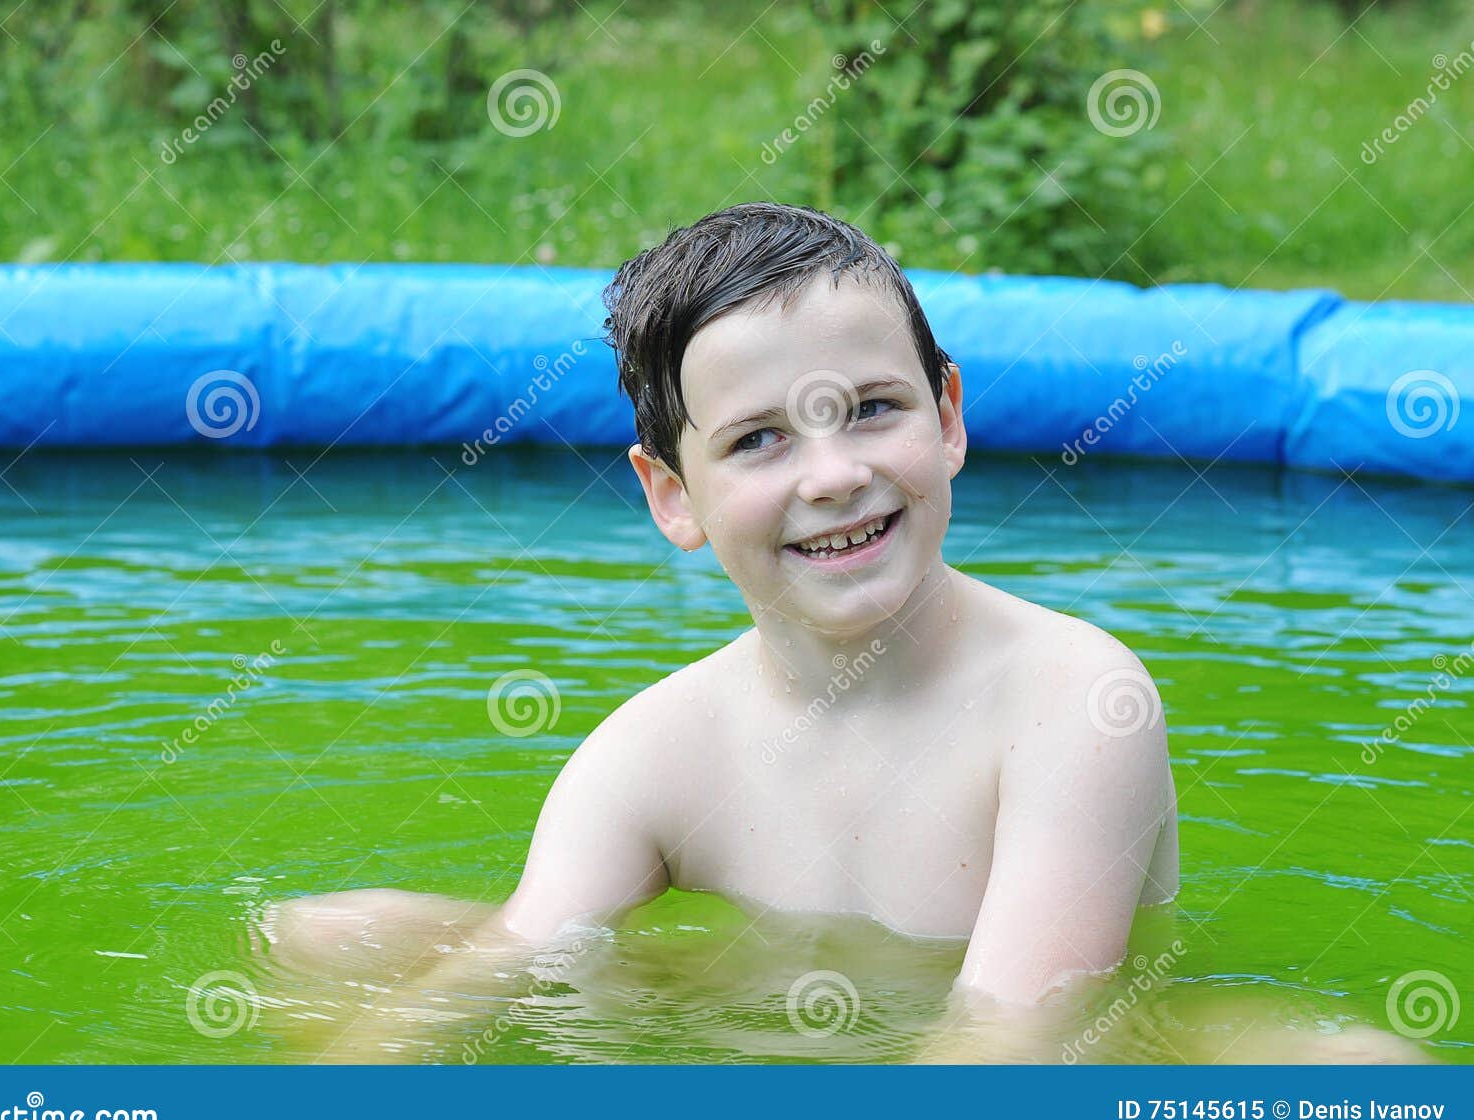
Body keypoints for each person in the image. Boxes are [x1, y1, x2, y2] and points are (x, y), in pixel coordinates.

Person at [269, 201, 1185, 1060]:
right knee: (329, 934)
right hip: (772, 1002)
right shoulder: (656, 752)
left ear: (947, 415)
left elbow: (1014, 1038)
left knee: (1322, 1063)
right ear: (672, 494)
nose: (831, 477)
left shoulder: (1071, 697)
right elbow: (509, 972)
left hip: (1113, 1033)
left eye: (870, 409)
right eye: (758, 440)